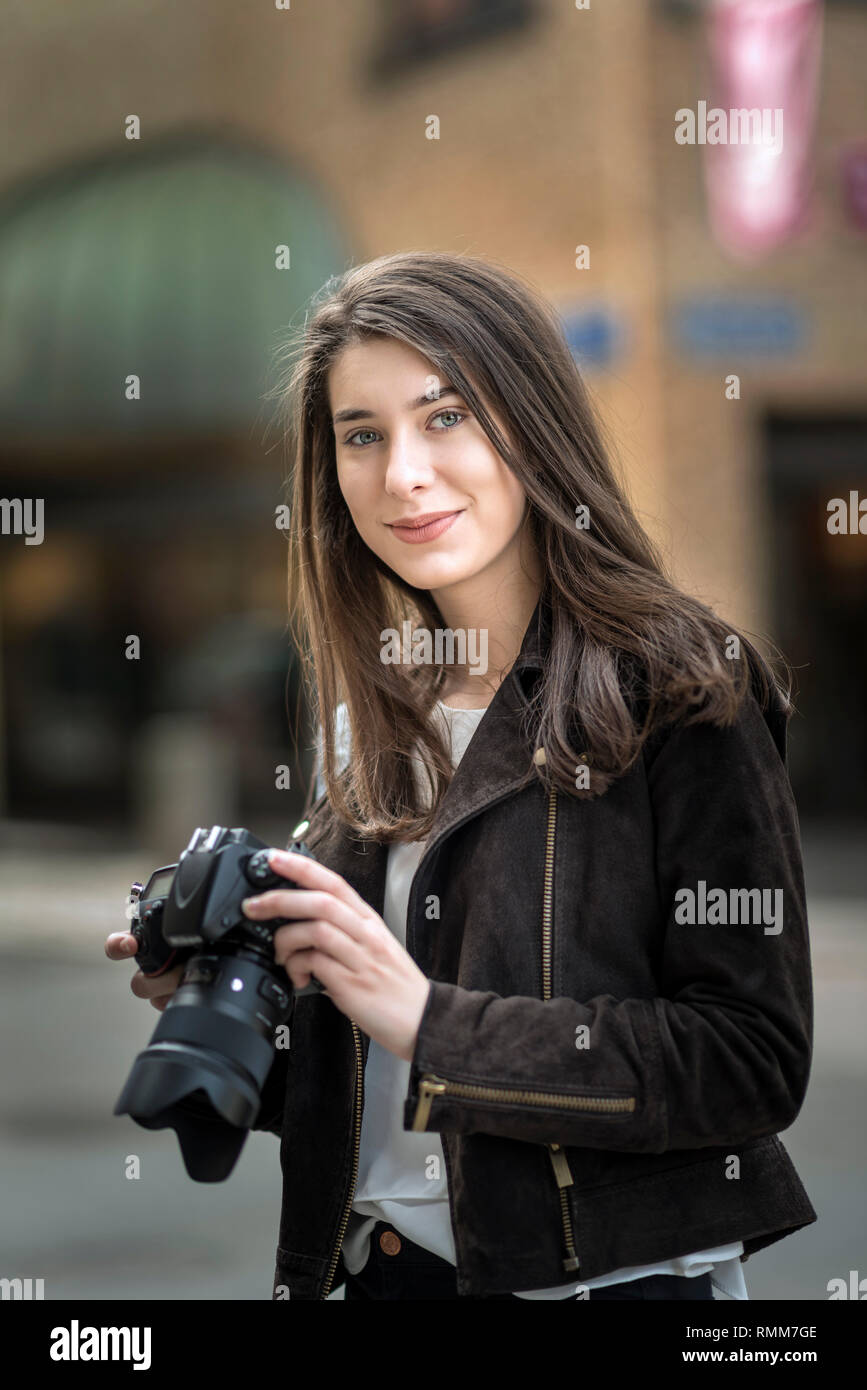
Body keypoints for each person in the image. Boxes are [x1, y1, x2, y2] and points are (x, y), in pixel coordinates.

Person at [106, 250, 816, 1301]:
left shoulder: (678, 686)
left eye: (446, 416)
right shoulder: (377, 717)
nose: (402, 473)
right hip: (375, 1277)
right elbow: (381, 1077)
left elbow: (749, 1056)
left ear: (529, 421)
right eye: (362, 435)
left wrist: (432, 1020)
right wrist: (238, 1006)